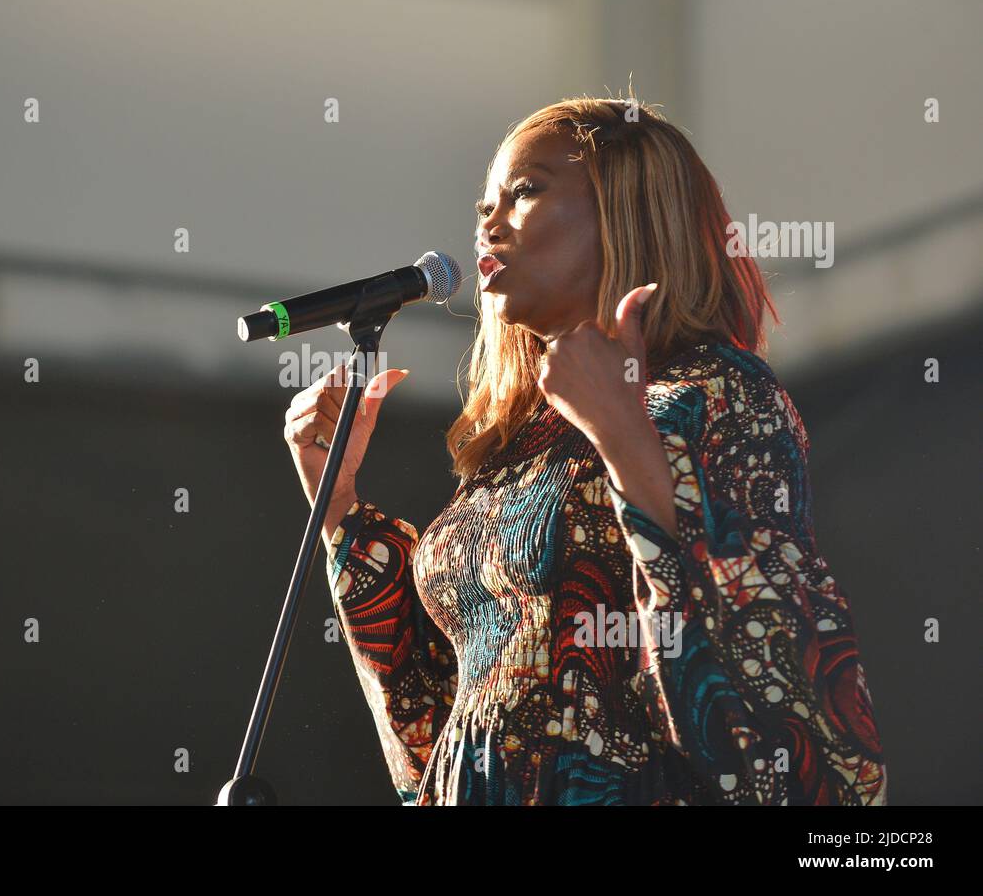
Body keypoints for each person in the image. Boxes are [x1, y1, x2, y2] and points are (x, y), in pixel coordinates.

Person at [282, 96, 888, 806]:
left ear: (624, 212)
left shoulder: (715, 393)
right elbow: (435, 738)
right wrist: (339, 503)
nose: (487, 217)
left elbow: (777, 664)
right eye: (483, 203)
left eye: (524, 190)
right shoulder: (516, 448)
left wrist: (625, 438)